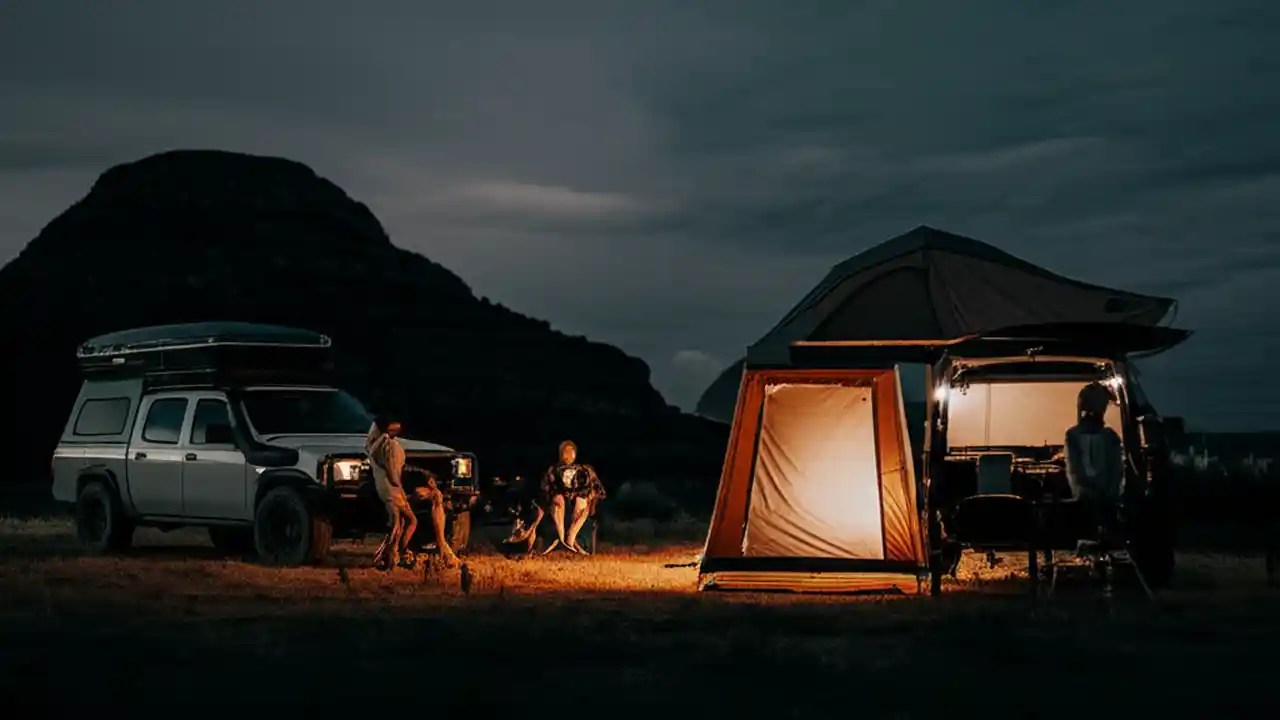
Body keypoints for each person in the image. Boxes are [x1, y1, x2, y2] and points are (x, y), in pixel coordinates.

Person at [1064, 382, 1125, 545]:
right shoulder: (1074, 436)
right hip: (1087, 498)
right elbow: (1074, 470)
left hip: (1104, 497)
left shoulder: (1109, 437)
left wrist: (1109, 492)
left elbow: (1116, 470)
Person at [366, 414, 418, 570]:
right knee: (405, 522)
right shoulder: (388, 446)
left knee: (399, 523)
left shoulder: (375, 445)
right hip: (392, 490)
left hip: (385, 489)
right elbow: (392, 471)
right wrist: (401, 489)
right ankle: (395, 553)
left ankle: (393, 554)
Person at [539, 440, 606, 555]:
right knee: (558, 501)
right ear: (560, 454)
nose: (569, 455)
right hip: (558, 506)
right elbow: (545, 488)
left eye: (571, 452)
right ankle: (560, 537)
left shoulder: (585, 471)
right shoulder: (553, 470)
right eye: (566, 452)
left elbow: (599, 490)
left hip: (580, 507)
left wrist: (591, 496)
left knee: (581, 502)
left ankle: (570, 538)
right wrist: (553, 496)